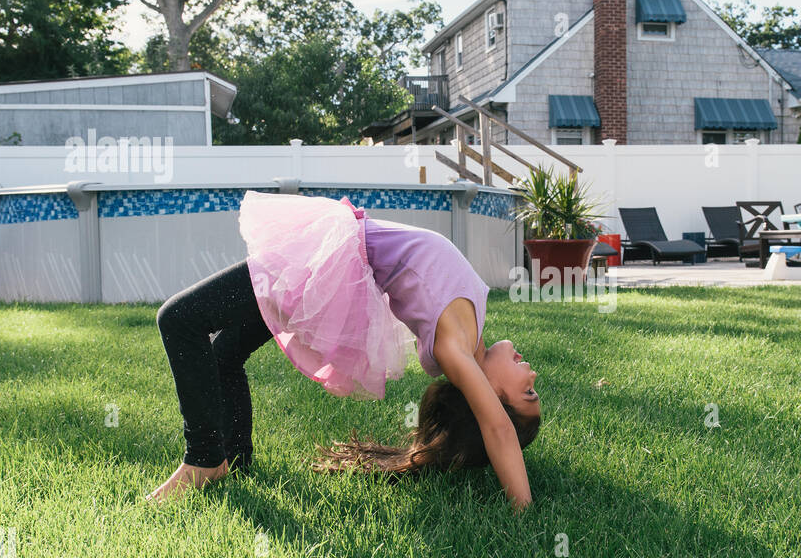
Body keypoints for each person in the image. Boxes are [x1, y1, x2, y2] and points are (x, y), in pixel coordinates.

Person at [149, 190, 540, 510]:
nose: (533, 374)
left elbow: (499, 430)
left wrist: (523, 506)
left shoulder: (454, 346)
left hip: (329, 262)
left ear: (491, 397)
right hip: (336, 258)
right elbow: (497, 425)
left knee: (179, 319)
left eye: (528, 392)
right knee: (225, 356)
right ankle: (233, 461)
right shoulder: (470, 329)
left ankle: (203, 459)